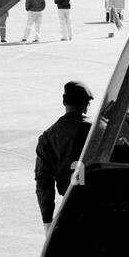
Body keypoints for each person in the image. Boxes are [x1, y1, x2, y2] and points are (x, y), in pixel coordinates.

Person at [34, 81, 92, 232]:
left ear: (64, 102)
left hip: (70, 208)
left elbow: (43, 182)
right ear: (86, 105)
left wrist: (47, 220)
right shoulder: (99, 130)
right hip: (98, 207)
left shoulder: (48, 137)